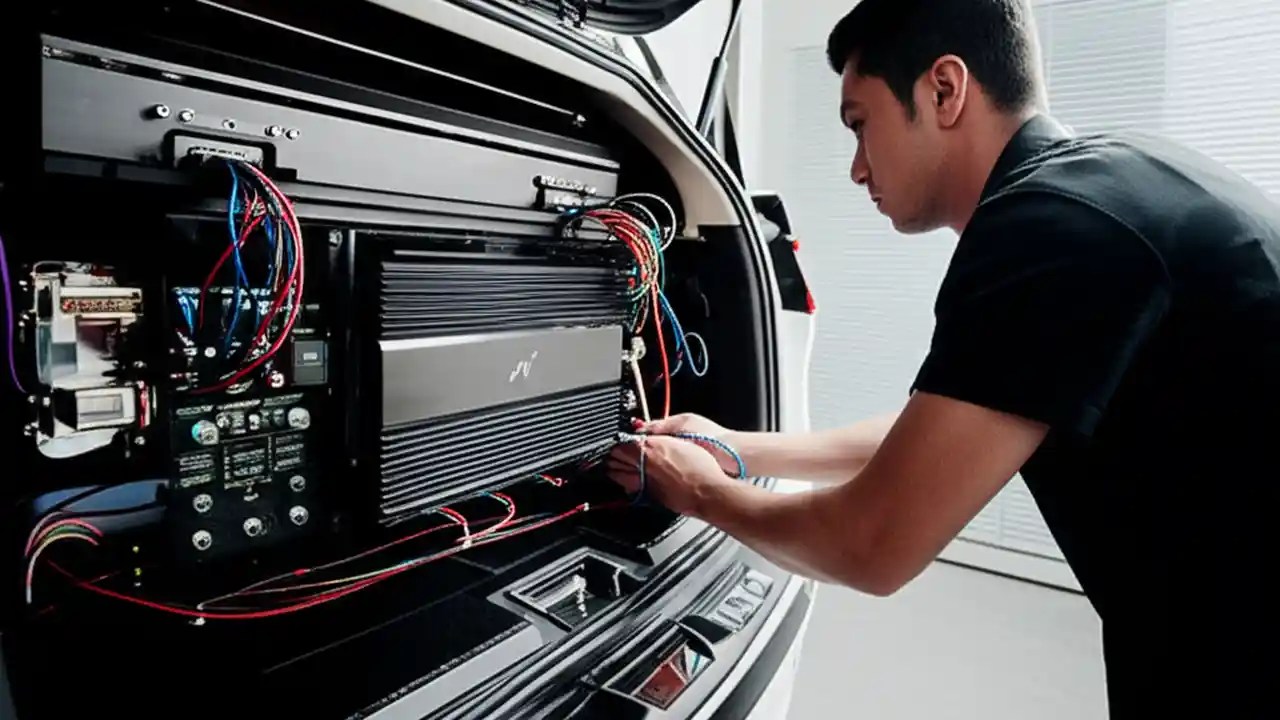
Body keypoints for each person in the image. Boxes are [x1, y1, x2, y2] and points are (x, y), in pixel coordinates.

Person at [608, 0, 1280, 716]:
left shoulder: (1047, 226)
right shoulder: (1108, 188)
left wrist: (697, 491)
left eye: (861, 126)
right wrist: (739, 448)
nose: (857, 170)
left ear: (944, 89)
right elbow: (950, 431)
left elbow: (872, 544)